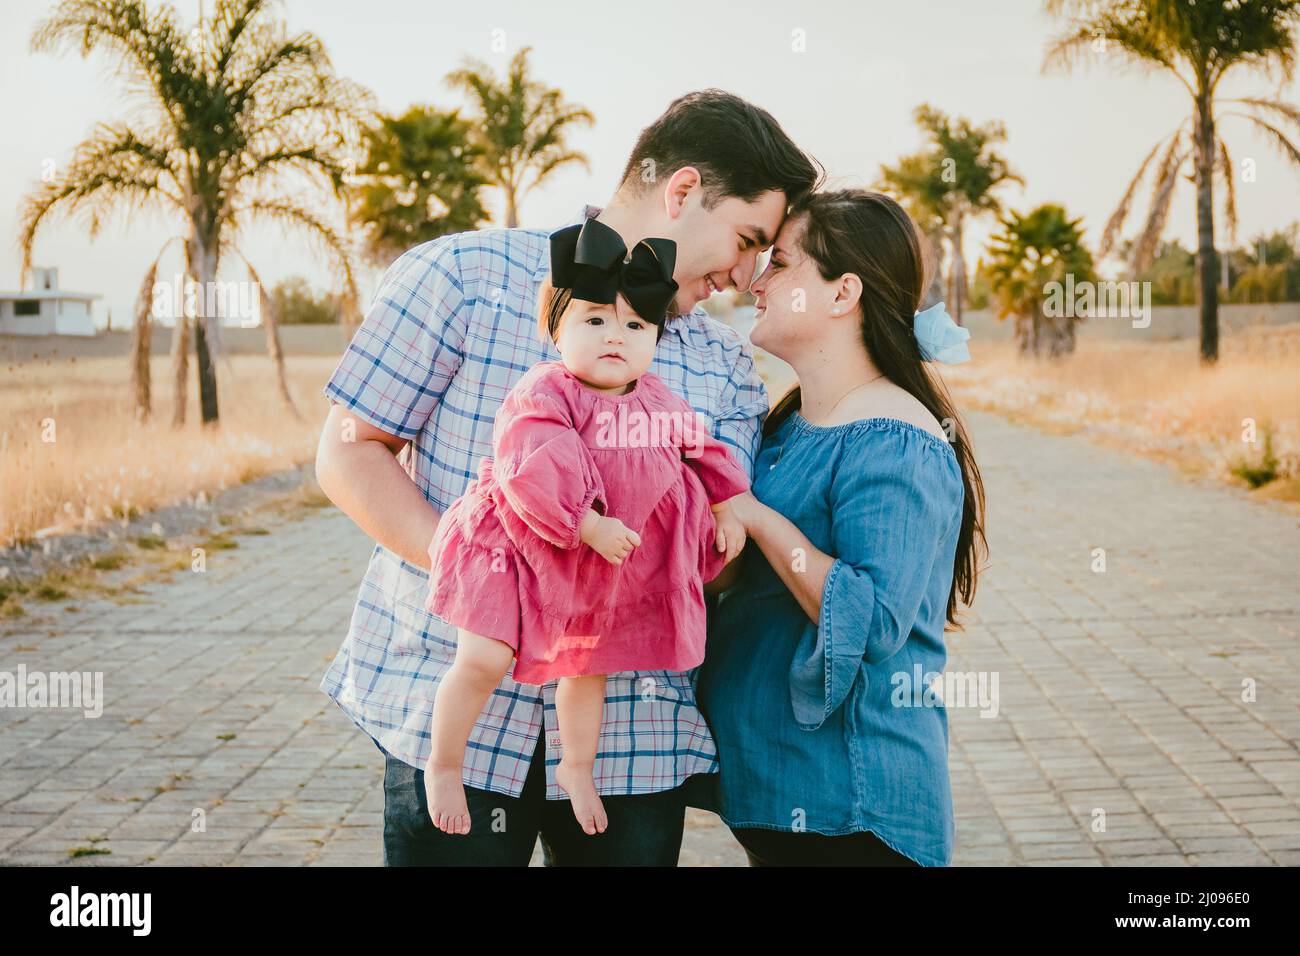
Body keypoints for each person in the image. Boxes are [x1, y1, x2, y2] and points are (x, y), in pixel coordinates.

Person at [315, 89, 821, 865]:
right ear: (682, 190)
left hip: (632, 739)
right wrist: (488, 584)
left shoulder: (724, 365)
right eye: (746, 239)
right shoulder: (463, 275)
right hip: (451, 712)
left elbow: (718, 548)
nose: (745, 275)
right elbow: (350, 450)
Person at [423, 218, 750, 837]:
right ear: (556, 329)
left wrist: (723, 507)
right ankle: (444, 762)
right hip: (518, 549)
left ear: (655, 337)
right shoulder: (548, 390)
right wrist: (586, 522)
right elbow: (533, 460)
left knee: (587, 667)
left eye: (635, 325)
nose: (614, 337)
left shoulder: (657, 400)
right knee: (484, 656)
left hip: (592, 570)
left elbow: (700, 450)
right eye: (594, 320)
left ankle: (576, 767)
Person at [697, 189, 987, 867]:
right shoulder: (791, 425)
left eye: (781, 264)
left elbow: (874, 618)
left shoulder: (895, 439)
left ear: (841, 293)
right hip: (788, 801)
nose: (754, 281)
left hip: (853, 813)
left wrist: (761, 521)